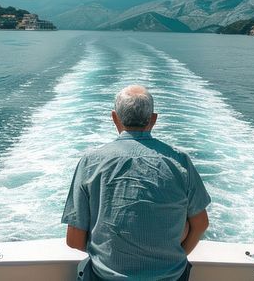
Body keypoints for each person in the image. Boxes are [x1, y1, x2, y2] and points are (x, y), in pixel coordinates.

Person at [62, 85, 210, 281]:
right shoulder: (179, 161)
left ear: (114, 118)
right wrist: (176, 257)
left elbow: (74, 240)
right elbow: (201, 224)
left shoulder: (90, 162)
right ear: (153, 120)